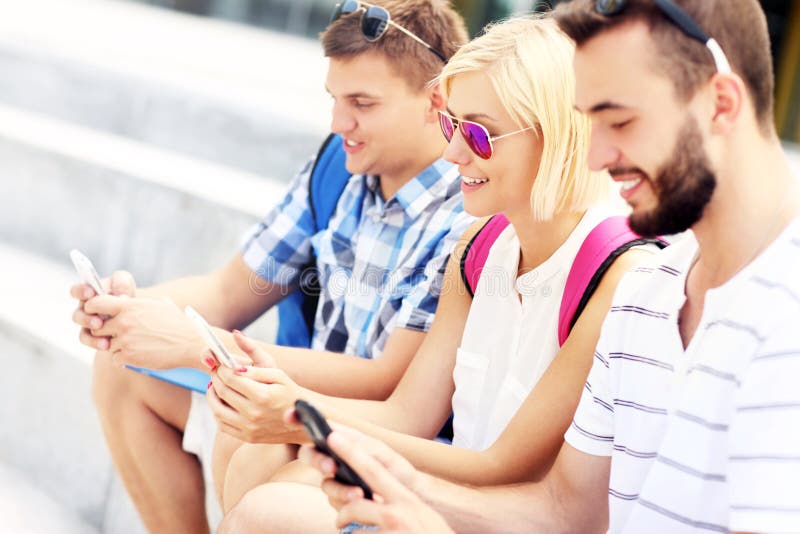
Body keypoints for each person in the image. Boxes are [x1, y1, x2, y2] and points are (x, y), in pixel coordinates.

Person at [301, 0, 800, 532]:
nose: (593, 156)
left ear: (720, 104)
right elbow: (566, 511)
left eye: (621, 120)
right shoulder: (648, 294)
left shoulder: (778, 315)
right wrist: (409, 489)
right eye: (588, 122)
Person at [206, 15, 656, 532]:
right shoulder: (478, 246)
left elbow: (503, 468)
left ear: (557, 133)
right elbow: (408, 416)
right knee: (258, 455)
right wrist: (282, 398)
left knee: (273, 506)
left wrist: (296, 409)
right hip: (453, 491)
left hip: (502, 513)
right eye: (451, 125)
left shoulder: (616, 272)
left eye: (480, 134)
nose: (453, 153)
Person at [68, 1, 470, 531]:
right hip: (295, 399)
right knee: (122, 368)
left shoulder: (466, 209)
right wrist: (133, 311)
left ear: (435, 99)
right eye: (334, 98)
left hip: (383, 430)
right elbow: (231, 287)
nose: (338, 122)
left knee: (253, 446)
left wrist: (195, 344)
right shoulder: (341, 166)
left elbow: (390, 381)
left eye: (363, 103)